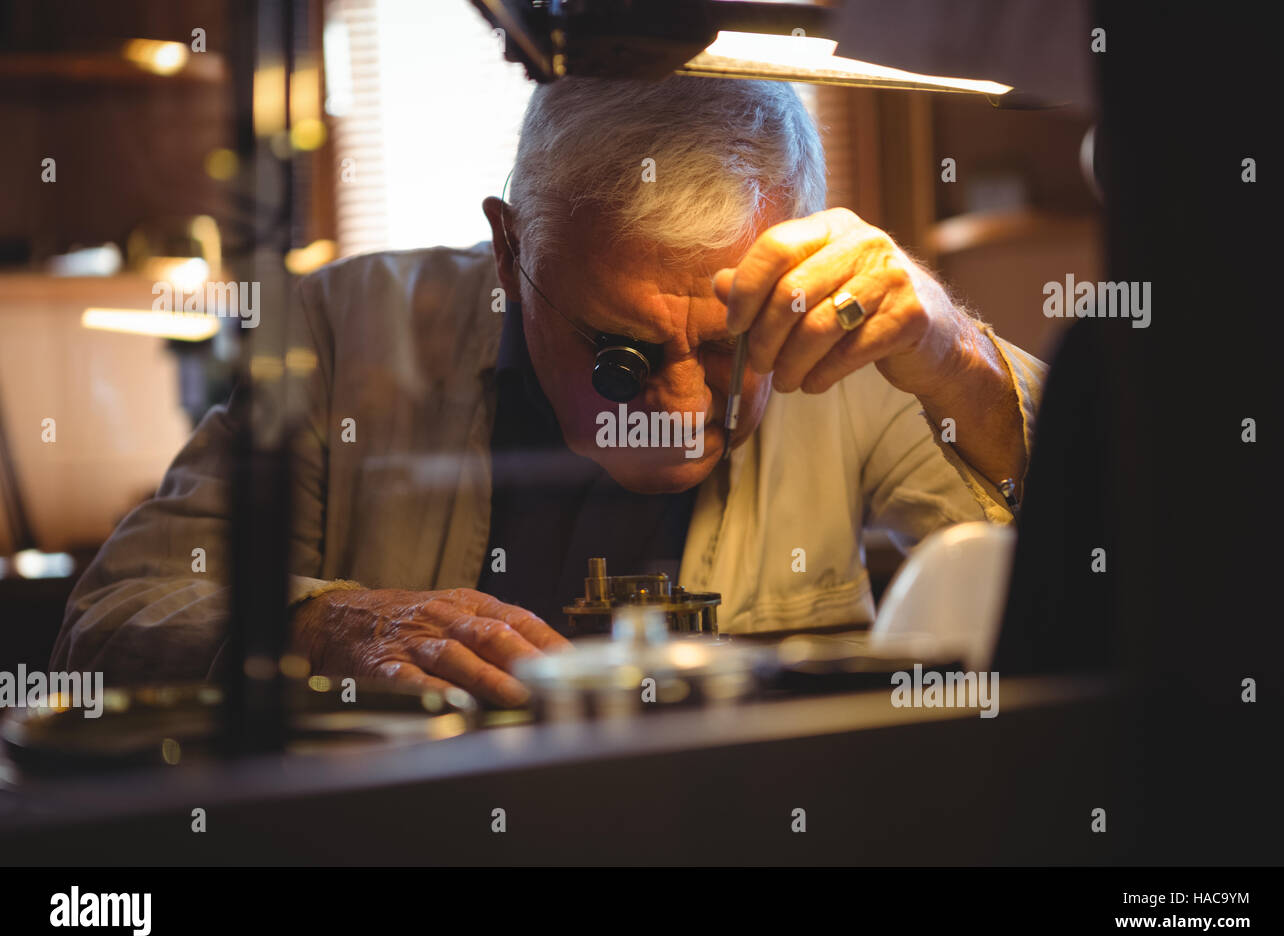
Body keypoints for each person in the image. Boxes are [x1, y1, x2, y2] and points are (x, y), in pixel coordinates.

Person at [53, 77, 1045, 706]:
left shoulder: (853, 349)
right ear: (509, 247)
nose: (685, 408)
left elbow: (1107, 566)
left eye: (735, 343)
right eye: (622, 353)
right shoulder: (340, 333)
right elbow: (104, 624)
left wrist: (951, 349)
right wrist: (318, 623)